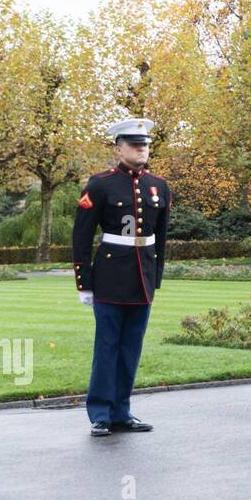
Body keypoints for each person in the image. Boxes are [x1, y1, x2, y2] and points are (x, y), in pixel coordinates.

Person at [71, 118, 172, 437]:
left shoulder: (159, 186)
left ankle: (121, 411)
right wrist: (84, 283)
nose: (141, 149)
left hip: (142, 276)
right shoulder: (100, 184)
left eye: (144, 144)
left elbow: (161, 237)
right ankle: (100, 413)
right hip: (110, 277)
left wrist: (155, 277)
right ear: (119, 148)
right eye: (134, 144)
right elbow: (81, 237)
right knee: (107, 347)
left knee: (131, 348)